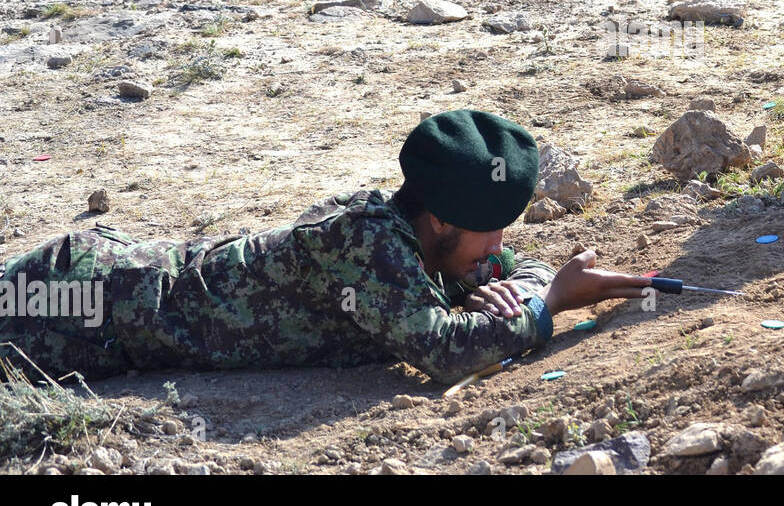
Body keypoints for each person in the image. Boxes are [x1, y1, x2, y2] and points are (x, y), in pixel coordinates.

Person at [0, 109, 649, 384]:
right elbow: (445, 356)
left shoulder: (430, 237)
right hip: (85, 303)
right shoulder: (366, 245)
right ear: (443, 219)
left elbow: (514, 266)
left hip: (112, 310)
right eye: (491, 230)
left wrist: (527, 282)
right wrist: (550, 305)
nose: (500, 245)